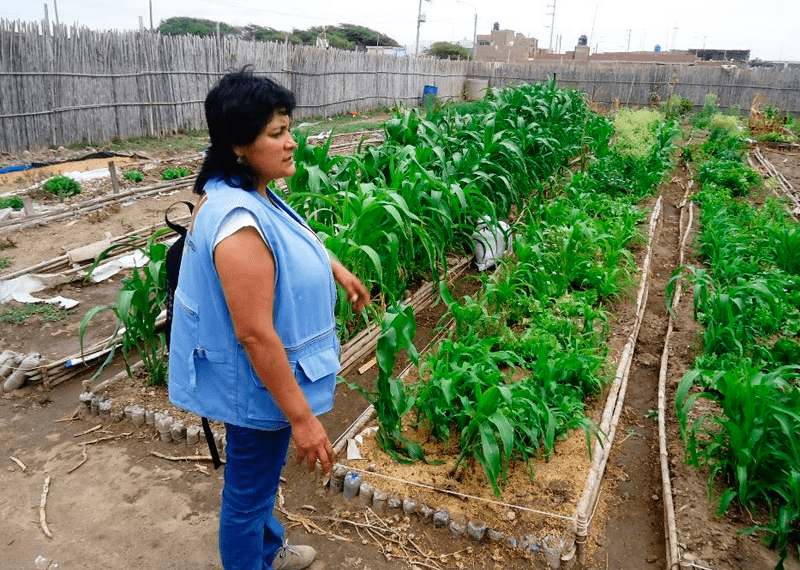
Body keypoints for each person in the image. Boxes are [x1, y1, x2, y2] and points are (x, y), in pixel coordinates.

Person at [168, 66, 368, 570]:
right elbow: (255, 333)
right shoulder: (237, 225)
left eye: (289, 128)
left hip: (257, 380)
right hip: (256, 382)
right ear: (239, 143)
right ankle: (250, 558)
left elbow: (290, 239)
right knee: (247, 492)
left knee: (254, 478)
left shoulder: (251, 191)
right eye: (277, 133)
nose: (291, 142)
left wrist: (336, 269)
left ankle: (268, 549)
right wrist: (302, 418)